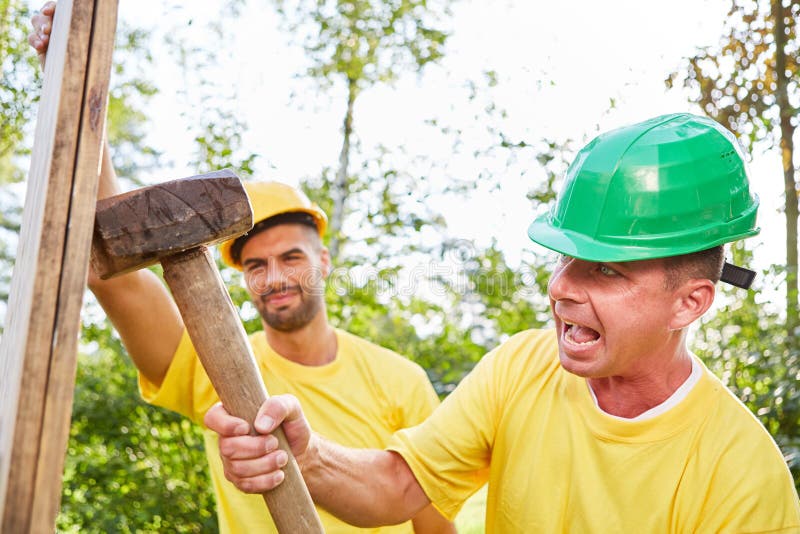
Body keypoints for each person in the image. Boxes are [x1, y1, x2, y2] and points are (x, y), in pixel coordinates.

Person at [206, 113, 800, 532]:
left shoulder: (744, 479)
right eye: (565, 257)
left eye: (607, 270)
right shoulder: (522, 366)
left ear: (690, 303)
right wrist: (305, 456)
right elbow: (401, 487)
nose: (561, 287)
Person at [28, 4, 454, 533]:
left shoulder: (400, 380)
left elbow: (434, 520)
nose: (273, 277)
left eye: (291, 257)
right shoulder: (217, 364)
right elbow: (107, 263)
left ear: (323, 261)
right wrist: (74, 76)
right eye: (255, 264)